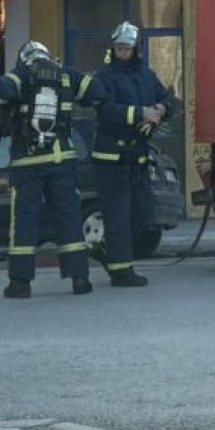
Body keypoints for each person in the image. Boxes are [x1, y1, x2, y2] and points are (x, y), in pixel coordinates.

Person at [0, 40, 100, 300]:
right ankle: (80, 279)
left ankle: (20, 284)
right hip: (61, 159)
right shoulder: (67, 75)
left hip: (27, 164)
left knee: (24, 222)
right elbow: (97, 90)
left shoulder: (22, 74)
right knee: (69, 218)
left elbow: (3, 89)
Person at [90, 21, 175, 287]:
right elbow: (106, 111)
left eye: (127, 48)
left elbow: (169, 99)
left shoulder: (146, 75)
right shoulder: (104, 77)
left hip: (137, 158)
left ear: (137, 48)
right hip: (111, 160)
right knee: (118, 218)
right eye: (119, 48)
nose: (122, 53)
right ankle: (121, 271)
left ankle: (106, 252)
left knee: (142, 216)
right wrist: (139, 113)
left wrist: (161, 108)